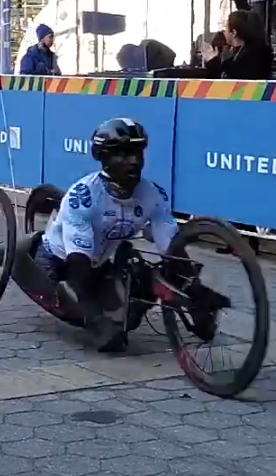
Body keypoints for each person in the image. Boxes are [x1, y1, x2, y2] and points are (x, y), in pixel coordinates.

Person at [38, 118, 193, 353]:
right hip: (61, 262)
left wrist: (196, 296)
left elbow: (172, 250)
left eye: (137, 153)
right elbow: (78, 268)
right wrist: (96, 320)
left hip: (99, 264)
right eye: (122, 154)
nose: (133, 161)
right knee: (85, 314)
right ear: (104, 159)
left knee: (142, 274)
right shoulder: (83, 196)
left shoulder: (153, 195)